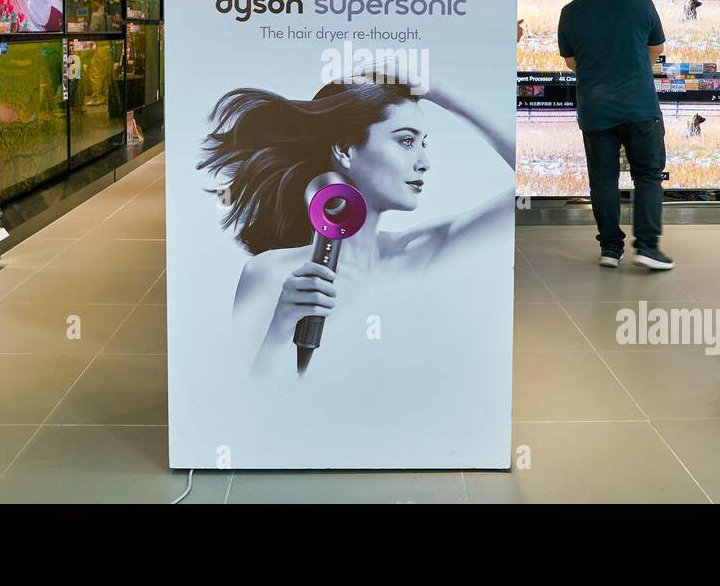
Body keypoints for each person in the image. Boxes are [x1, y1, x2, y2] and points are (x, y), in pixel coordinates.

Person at [199, 73, 515, 374]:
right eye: (406, 141)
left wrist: (434, 88)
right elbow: (240, 400)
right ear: (345, 150)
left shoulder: (421, 251)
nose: (424, 162)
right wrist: (280, 329)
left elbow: (535, 180)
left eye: (423, 143)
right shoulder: (269, 273)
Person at [557, 0, 673, 270]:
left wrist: (599, 69)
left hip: (596, 108)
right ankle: (647, 247)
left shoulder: (571, 11)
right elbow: (656, 48)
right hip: (640, 105)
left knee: (603, 181)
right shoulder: (641, 2)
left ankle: (610, 248)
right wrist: (631, 66)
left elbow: (571, 61)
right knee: (648, 177)